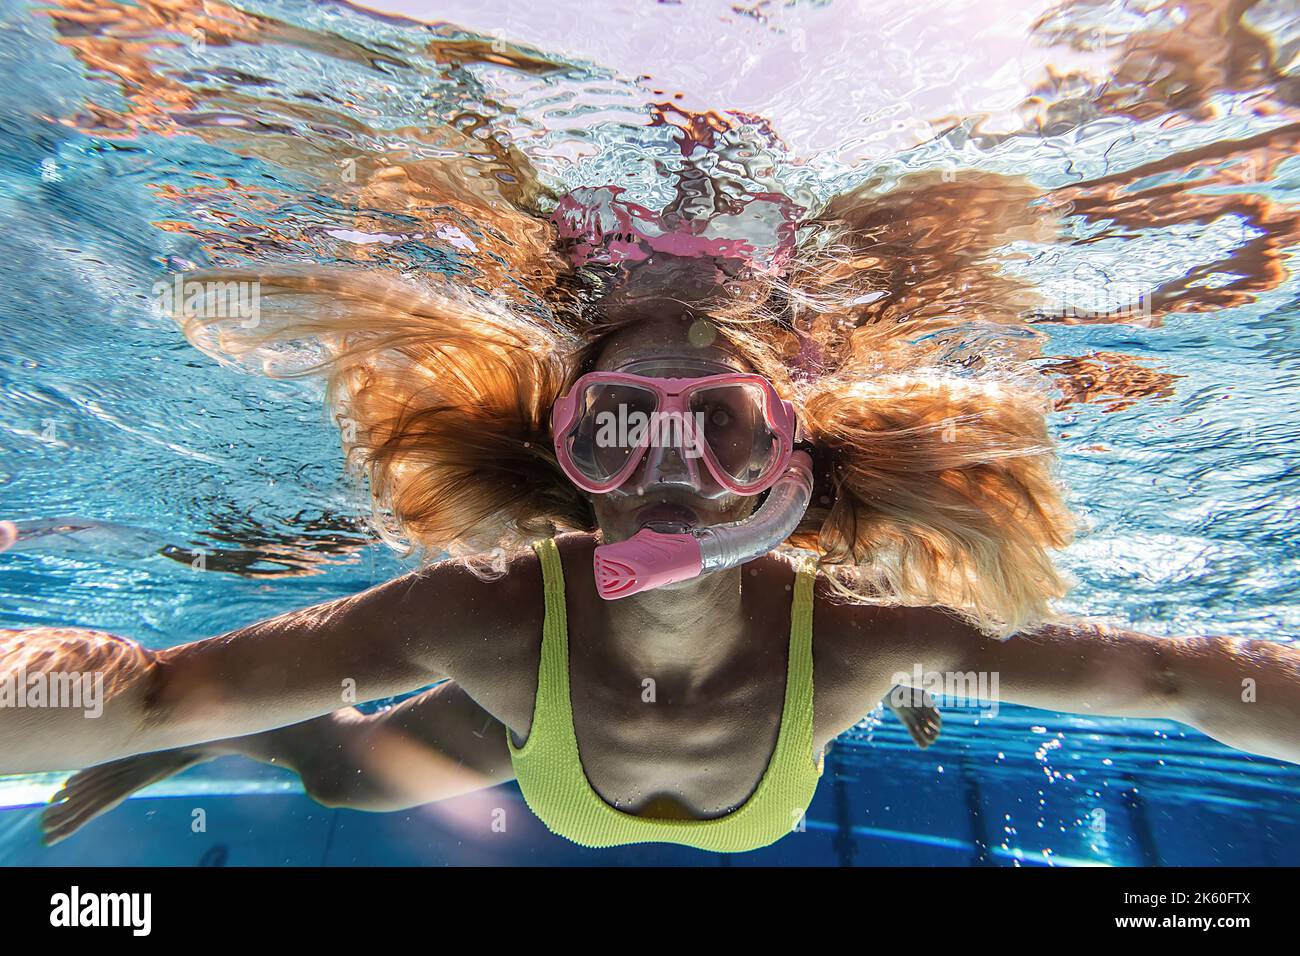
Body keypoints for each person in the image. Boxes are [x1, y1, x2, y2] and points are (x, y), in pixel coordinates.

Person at [4, 183, 1298, 854]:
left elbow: (1185, 678)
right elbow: (148, 689)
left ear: (781, 459)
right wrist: (103, 711)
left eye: (722, 422)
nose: (667, 466)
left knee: (349, 771)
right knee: (339, 767)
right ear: (567, 455)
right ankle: (238, 750)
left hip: (658, 767)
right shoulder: (485, 613)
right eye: (617, 420)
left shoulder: (859, 635)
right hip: (552, 740)